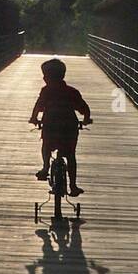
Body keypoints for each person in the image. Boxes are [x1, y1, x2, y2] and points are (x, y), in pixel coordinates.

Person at [28, 57, 91, 197]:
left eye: (45, 75)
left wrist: (34, 118)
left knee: (46, 146)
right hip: (69, 128)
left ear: (48, 77)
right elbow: (84, 108)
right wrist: (86, 119)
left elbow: (38, 106)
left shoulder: (46, 91)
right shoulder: (72, 92)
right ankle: (73, 186)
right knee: (70, 156)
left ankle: (45, 168)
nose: (43, 78)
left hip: (50, 126)